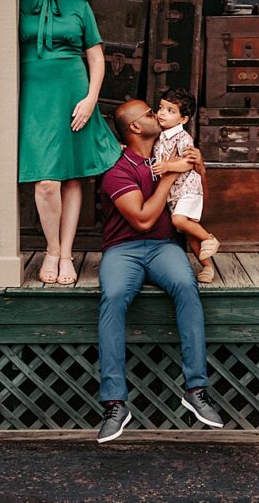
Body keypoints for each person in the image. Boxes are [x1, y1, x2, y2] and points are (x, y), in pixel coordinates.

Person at [0, 0, 121, 285]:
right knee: (46, 182)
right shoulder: (20, 2)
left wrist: (91, 99)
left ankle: (66, 255)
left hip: (74, 95)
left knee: (72, 178)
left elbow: (96, 58)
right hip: (34, 100)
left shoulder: (80, 7)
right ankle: (51, 248)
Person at [96, 99, 223, 443]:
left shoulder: (172, 151)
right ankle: (115, 402)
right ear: (135, 127)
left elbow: (195, 204)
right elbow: (142, 219)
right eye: (151, 113)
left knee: (186, 286)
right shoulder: (117, 169)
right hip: (124, 250)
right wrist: (171, 174)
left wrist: (199, 170)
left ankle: (196, 389)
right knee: (114, 296)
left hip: (165, 247)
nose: (158, 114)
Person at [153, 88, 219, 284]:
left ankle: (209, 238)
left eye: (170, 110)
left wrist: (167, 166)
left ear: (183, 119)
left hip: (188, 189)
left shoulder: (183, 138)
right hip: (174, 192)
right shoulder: (160, 137)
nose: (162, 113)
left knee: (179, 221)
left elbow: (188, 162)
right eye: (161, 108)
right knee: (189, 234)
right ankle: (208, 266)